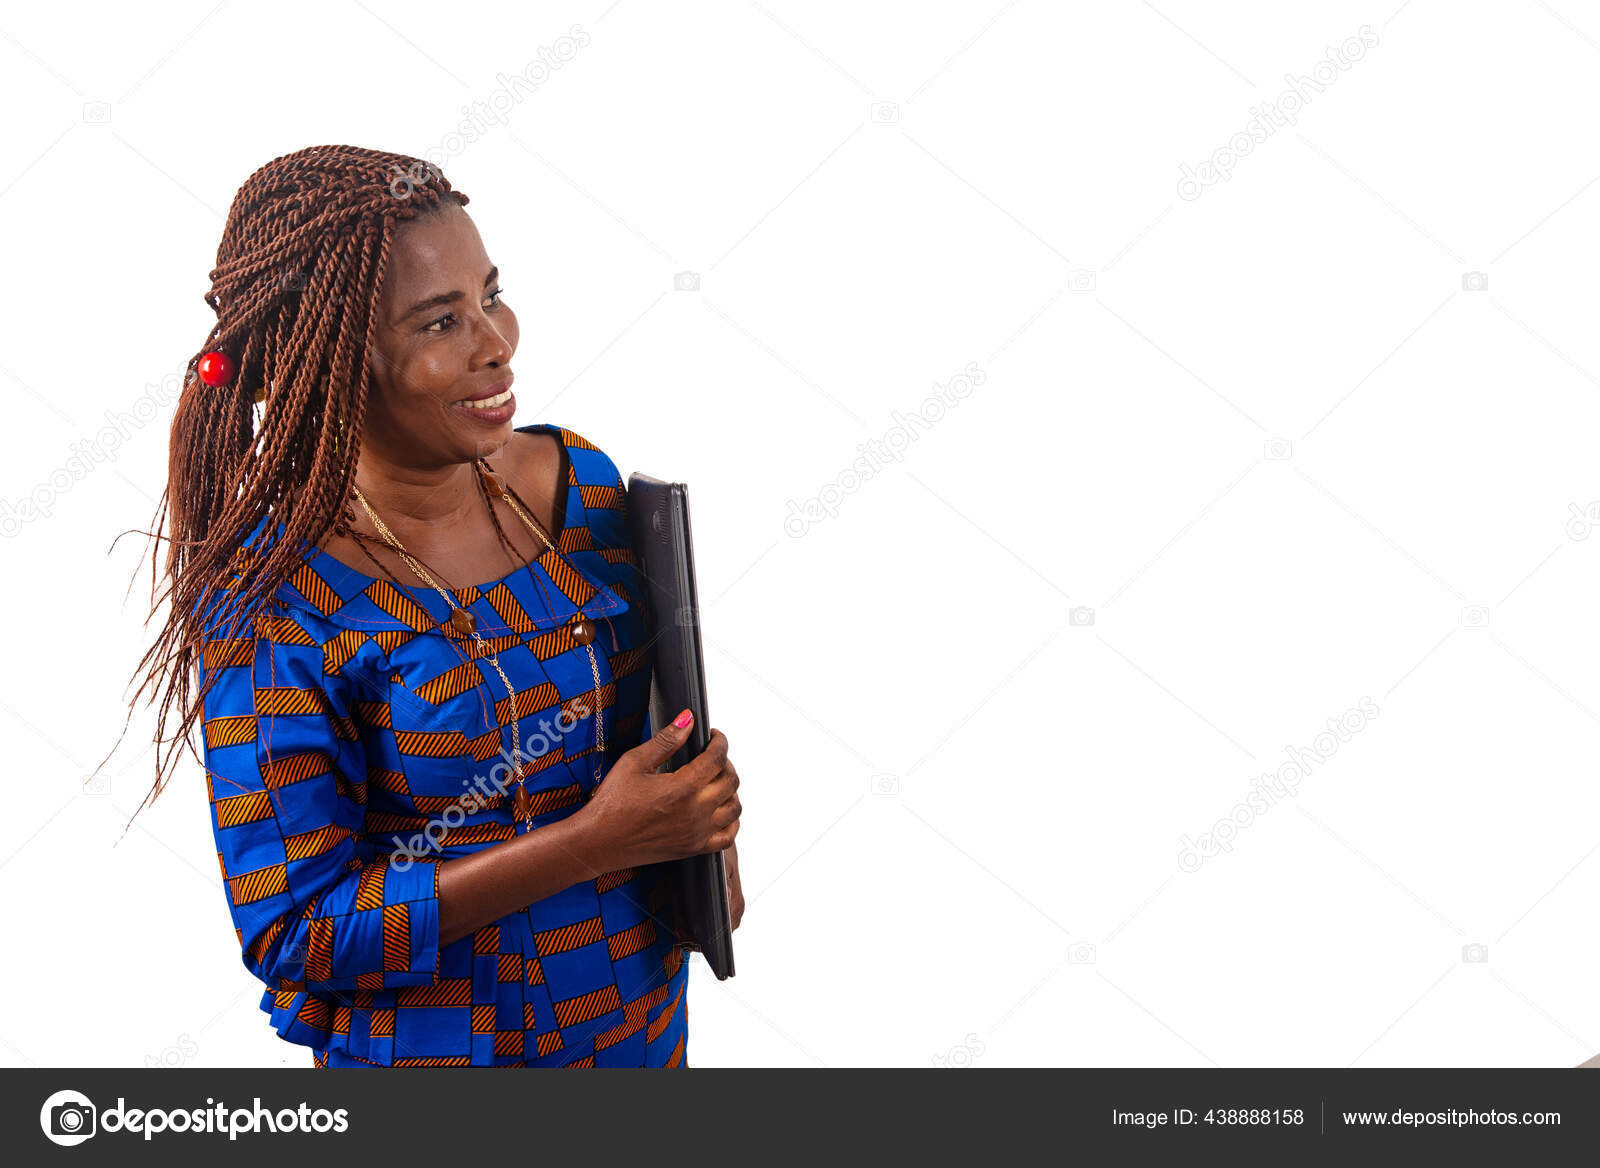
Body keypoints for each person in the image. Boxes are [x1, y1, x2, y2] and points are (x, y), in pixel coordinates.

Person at [116, 144, 743, 1067]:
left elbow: (653, 725)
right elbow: (298, 934)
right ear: (331, 365)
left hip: (640, 1034)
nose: (498, 341)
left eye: (491, 294)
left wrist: (704, 837)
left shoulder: (579, 487)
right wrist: (589, 844)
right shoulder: (277, 601)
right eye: (441, 322)